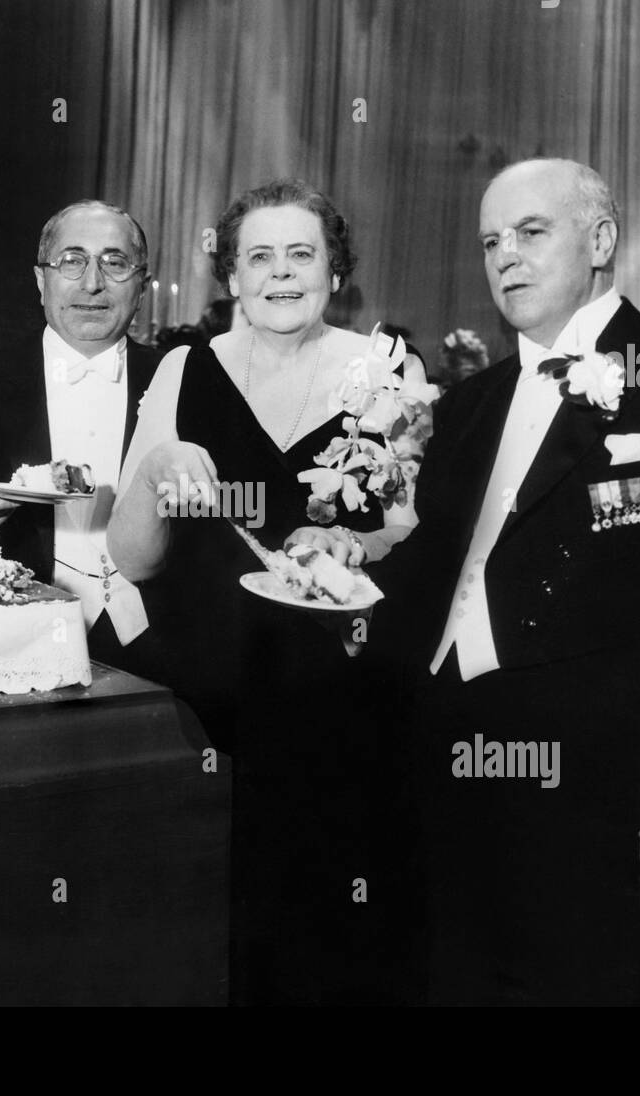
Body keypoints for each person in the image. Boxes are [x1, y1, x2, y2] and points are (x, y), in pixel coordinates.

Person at [365, 158, 640, 1005]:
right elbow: (440, 570)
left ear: (601, 241)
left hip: (595, 772)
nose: (505, 259)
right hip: (445, 749)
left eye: (530, 233)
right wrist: (350, 563)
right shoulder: (471, 402)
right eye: (490, 241)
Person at [108, 178, 431, 1004]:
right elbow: (132, 559)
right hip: (203, 702)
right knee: (203, 936)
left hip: (339, 701)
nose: (280, 273)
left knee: (327, 942)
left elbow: (410, 530)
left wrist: (350, 540)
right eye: (259, 256)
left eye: (301, 254)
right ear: (231, 276)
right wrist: (153, 472)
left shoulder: (384, 370)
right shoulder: (183, 369)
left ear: (335, 269)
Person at [0, 200, 163, 675]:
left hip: (160, 646)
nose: (92, 283)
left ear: (141, 286)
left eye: (114, 263)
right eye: (71, 261)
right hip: (15, 645)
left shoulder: (178, 379)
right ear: (40, 281)